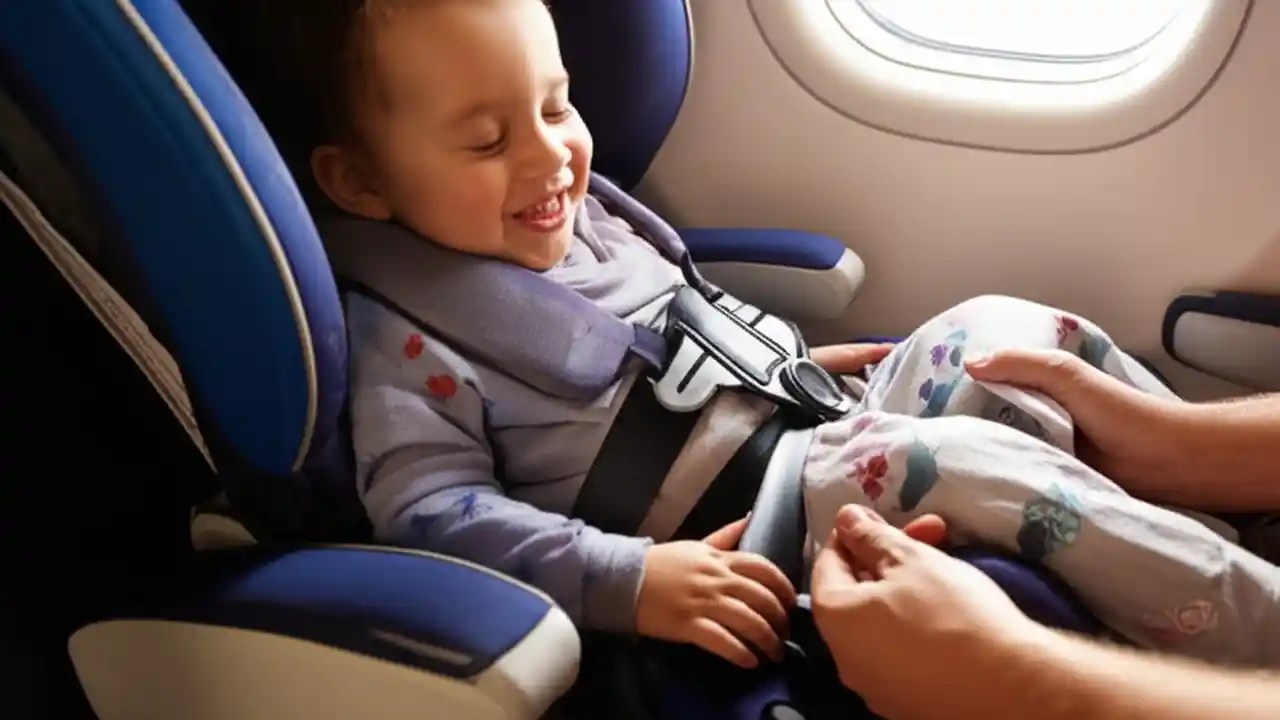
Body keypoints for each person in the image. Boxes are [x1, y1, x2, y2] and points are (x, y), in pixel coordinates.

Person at [238, 0, 1280, 673]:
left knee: (996, 330)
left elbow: (672, 339)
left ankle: (1222, 525)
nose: (552, 154)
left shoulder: (581, 217)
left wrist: (779, 367)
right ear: (358, 181)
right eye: (487, 138)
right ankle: (1250, 627)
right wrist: (628, 580)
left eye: (557, 106)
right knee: (944, 459)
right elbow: (434, 520)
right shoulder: (403, 347)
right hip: (734, 532)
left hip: (797, 426)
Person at [810, 353, 1280, 719]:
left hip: (822, 437)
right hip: (784, 473)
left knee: (967, 389)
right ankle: (1226, 559)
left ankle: (1237, 589)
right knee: (957, 422)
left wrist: (1018, 681)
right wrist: (1170, 445)